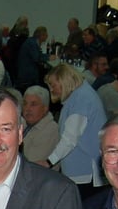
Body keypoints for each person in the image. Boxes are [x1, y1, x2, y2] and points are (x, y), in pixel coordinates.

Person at [45, 64, 107, 198]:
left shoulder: (81, 100)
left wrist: (49, 161)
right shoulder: (81, 95)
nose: (51, 89)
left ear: (64, 81)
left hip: (84, 173)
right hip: (83, 170)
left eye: (53, 84)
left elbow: (70, 139)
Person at [21, 85, 59, 164]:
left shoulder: (50, 130)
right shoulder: (23, 124)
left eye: (33, 104)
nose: (27, 108)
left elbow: (32, 164)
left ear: (45, 108)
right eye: (25, 104)